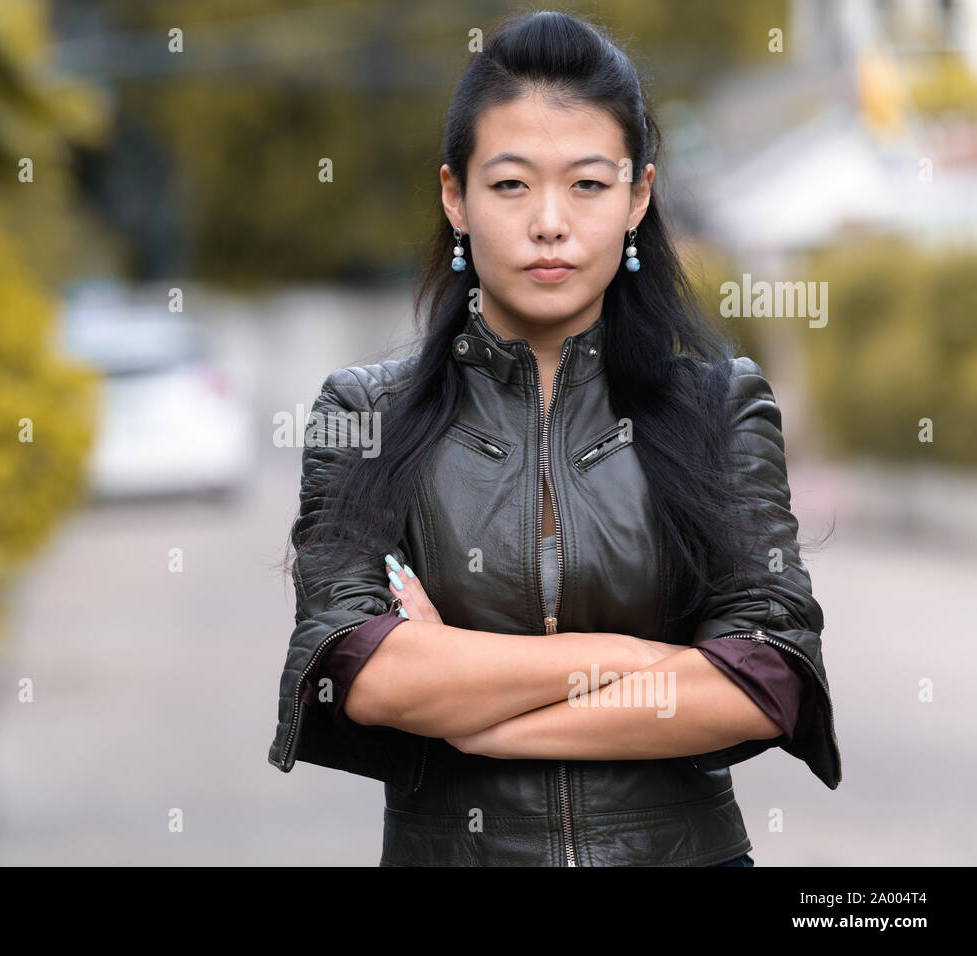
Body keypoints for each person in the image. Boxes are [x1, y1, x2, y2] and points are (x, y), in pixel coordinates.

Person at [268, 8, 840, 867]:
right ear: (455, 197)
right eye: (509, 185)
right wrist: (633, 660)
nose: (548, 222)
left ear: (638, 197)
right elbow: (358, 669)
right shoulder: (360, 414)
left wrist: (478, 712)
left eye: (586, 184)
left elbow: (768, 676)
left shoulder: (722, 407)